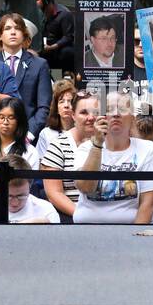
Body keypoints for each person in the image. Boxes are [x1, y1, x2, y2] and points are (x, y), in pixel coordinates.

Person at [73, 90, 153, 224]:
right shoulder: (86, 149)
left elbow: (147, 204)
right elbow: (85, 187)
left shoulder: (148, 149)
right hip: (86, 230)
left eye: (122, 109)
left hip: (131, 232)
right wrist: (97, 145)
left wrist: (135, 239)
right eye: (110, 109)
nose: (116, 114)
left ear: (133, 119)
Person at [41, 91, 99, 222]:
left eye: (95, 112)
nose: (91, 117)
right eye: (84, 112)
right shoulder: (58, 145)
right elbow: (54, 193)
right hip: (71, 217)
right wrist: (82, 216)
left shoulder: (111, 144)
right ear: (73, 115)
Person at [0, 12, 52, 139]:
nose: (13, 32)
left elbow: (44, 106)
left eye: (18, 28)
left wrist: (30, 133)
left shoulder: (39, 64)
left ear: (24, 35)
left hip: (27, 136)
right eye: (8, 28)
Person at [36, 0, 75, 73]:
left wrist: (53, 46)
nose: (35, 3)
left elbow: (68, 37)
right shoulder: (38, 14)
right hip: (44, 49)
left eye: (37, 0)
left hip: (59, 49)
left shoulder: (64, 14)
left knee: (67, 52)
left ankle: (67, 78)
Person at [37, 77, 79, 155]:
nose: (66, 105)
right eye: (61, 101)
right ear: (56, 107)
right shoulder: (46, 134)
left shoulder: (81, 132)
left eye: (69, 101)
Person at [0, 96, 39, 165]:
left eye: (11, 118)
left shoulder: (30, 152)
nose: (5, 122)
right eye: (1, 117)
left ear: (19, 121)